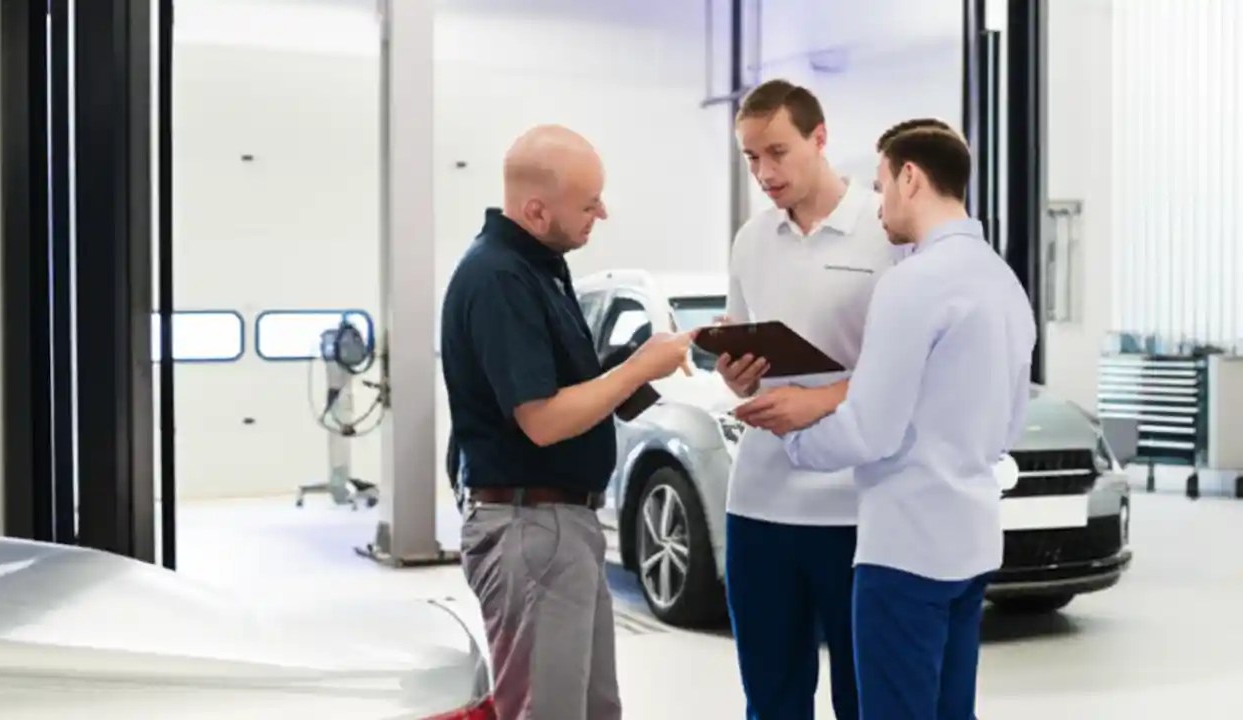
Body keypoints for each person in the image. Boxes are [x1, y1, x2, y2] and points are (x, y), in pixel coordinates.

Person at [752, 119, 1036, 720]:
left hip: (905, 548)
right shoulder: (1004, 281)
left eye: (880, 187)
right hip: (973, 543)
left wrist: (794, 437)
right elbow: (1011, 425)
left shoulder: (914, 281)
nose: (878, 206)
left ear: (910, 178)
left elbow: (869, 430)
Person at [439, 124, 695, 720]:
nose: (602, 214)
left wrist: (650, 362)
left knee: (594, 707)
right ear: (535, 209)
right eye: (588, 203)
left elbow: (571, 393)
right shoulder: (500, 277)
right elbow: (544, 420)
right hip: (532, 527)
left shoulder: (540, 267)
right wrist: (634, 372)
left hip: (559, 527)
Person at [713, 78, 901, 720]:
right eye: (751, 158)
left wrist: (820, 402)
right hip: (759, 508)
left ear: (820, 139)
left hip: (855, 510)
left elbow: (913, 369)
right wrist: (737, 376)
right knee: (770, 702)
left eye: (777, 152)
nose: (764, 172)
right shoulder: (750, 240)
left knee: (864, 700)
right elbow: (740, 340)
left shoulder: (887, 232)